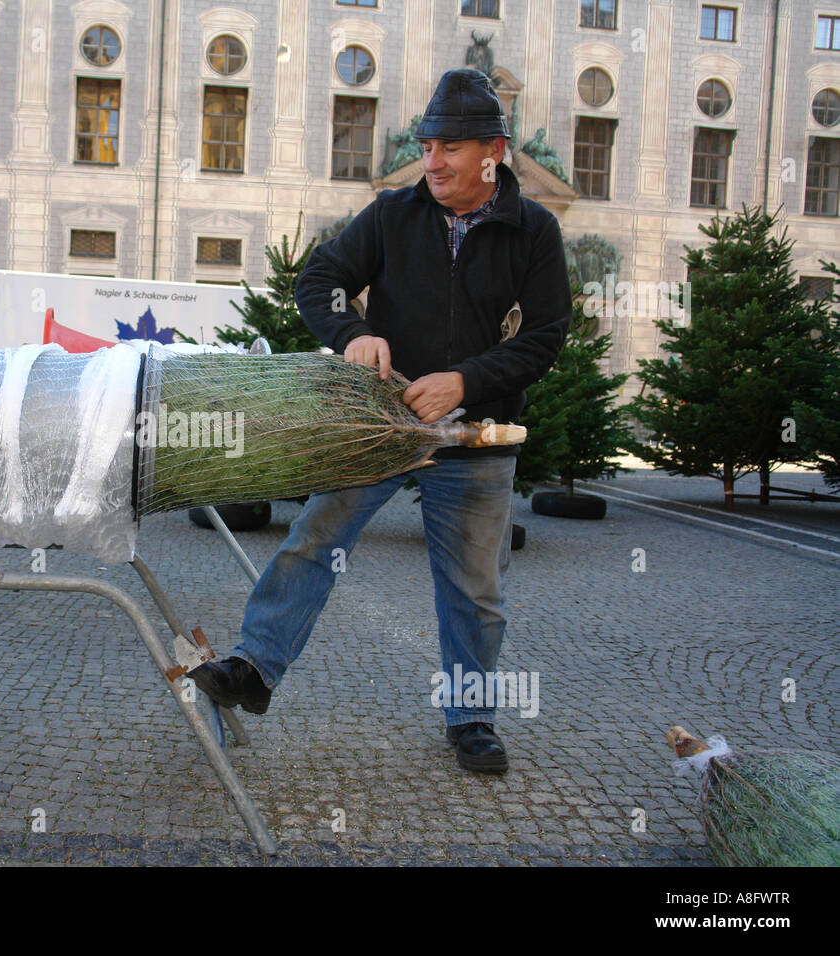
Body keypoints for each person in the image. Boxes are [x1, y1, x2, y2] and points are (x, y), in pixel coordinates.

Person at [189, 68, 572, 773]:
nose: (431, 163)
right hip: (376, 424)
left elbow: (546, 335)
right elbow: (317, 281)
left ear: (493, 152)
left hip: (474, 434)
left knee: (475, 588)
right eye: (426, 147)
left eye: (448, 150)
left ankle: (472, 716)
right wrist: (351, 335)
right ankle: (253, 668)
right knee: (314, 539)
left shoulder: (534, 230)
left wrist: (466, 380)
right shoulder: (394, 214)